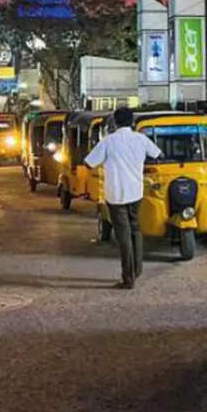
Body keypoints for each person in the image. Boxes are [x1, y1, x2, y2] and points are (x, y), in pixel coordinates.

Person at [85, 107, 162, 289]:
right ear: (132, 122)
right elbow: (158, 154)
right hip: (136, 192)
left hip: (117, 194)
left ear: (115, 122)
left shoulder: (108, 142)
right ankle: (137, 269)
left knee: (124, 235)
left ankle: (128, 278)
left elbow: (89, 163)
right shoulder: (141, 139)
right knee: (135, 229)